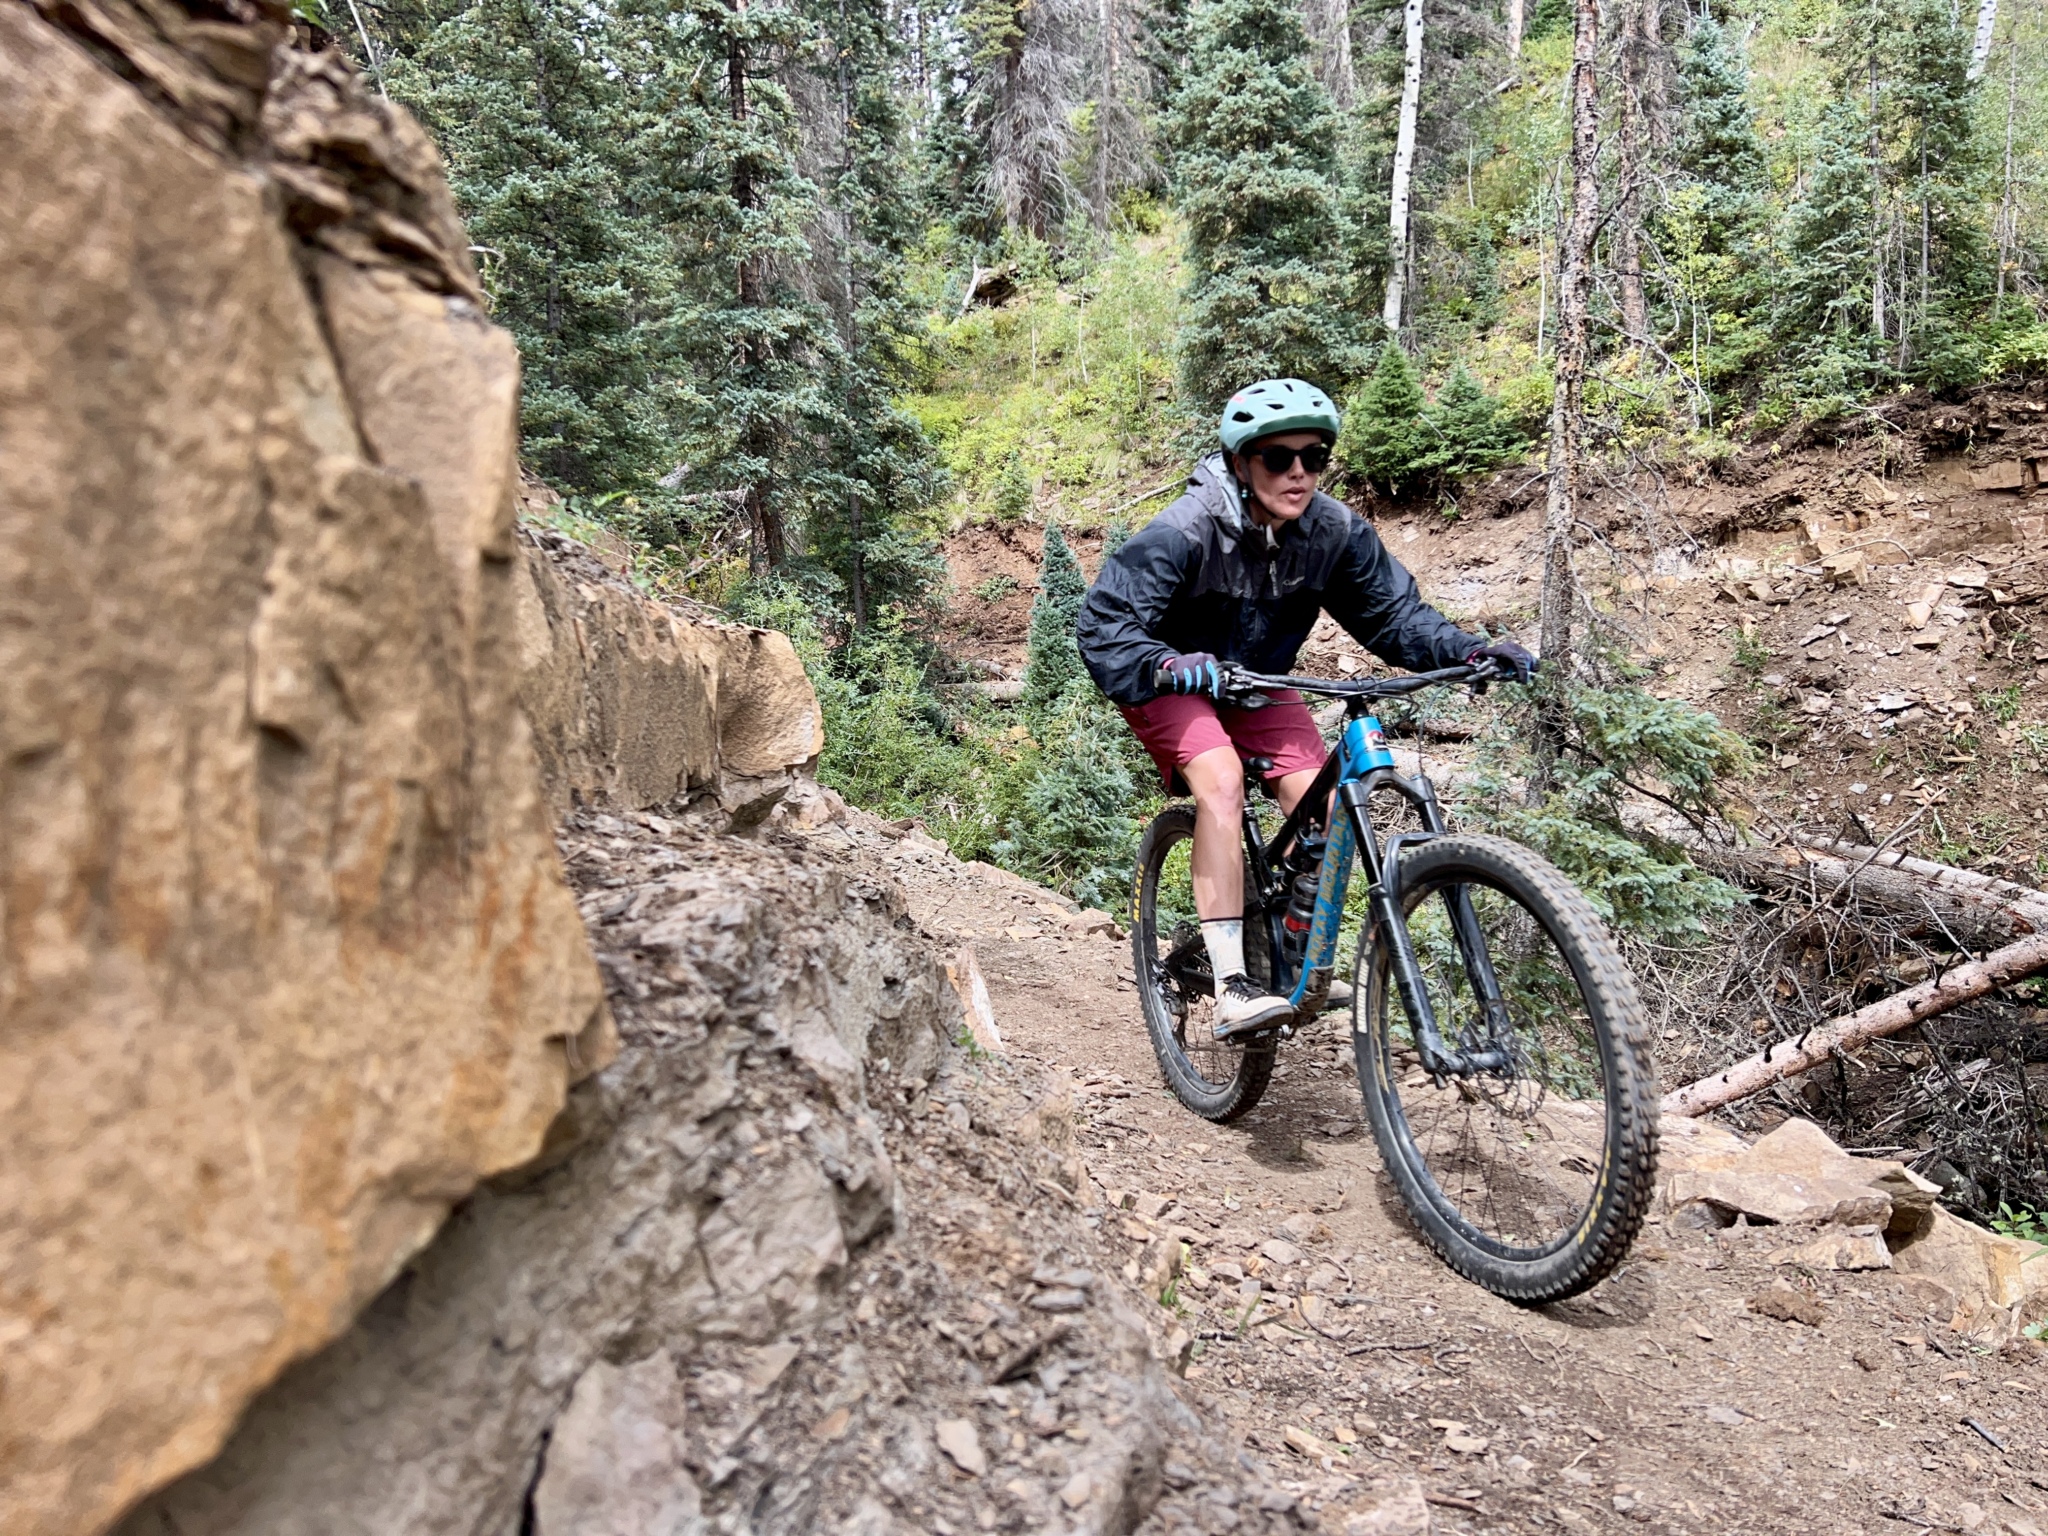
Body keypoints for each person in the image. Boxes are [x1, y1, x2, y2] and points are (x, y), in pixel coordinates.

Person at [1077, 377, 1536, 1037]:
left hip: (1254, 680)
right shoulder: (1184, 530)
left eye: (1314, 457)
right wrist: (1166, 663)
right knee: (1223, 783)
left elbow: (1394, 616)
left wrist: (1467, 651)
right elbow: (1104, 625)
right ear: (1240, 462)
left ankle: (1290, 944)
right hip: (1167, 678)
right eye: (1278, 458)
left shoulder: (1334, 532)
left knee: (1325, 807)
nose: (1298, 473)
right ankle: (1233, 982)